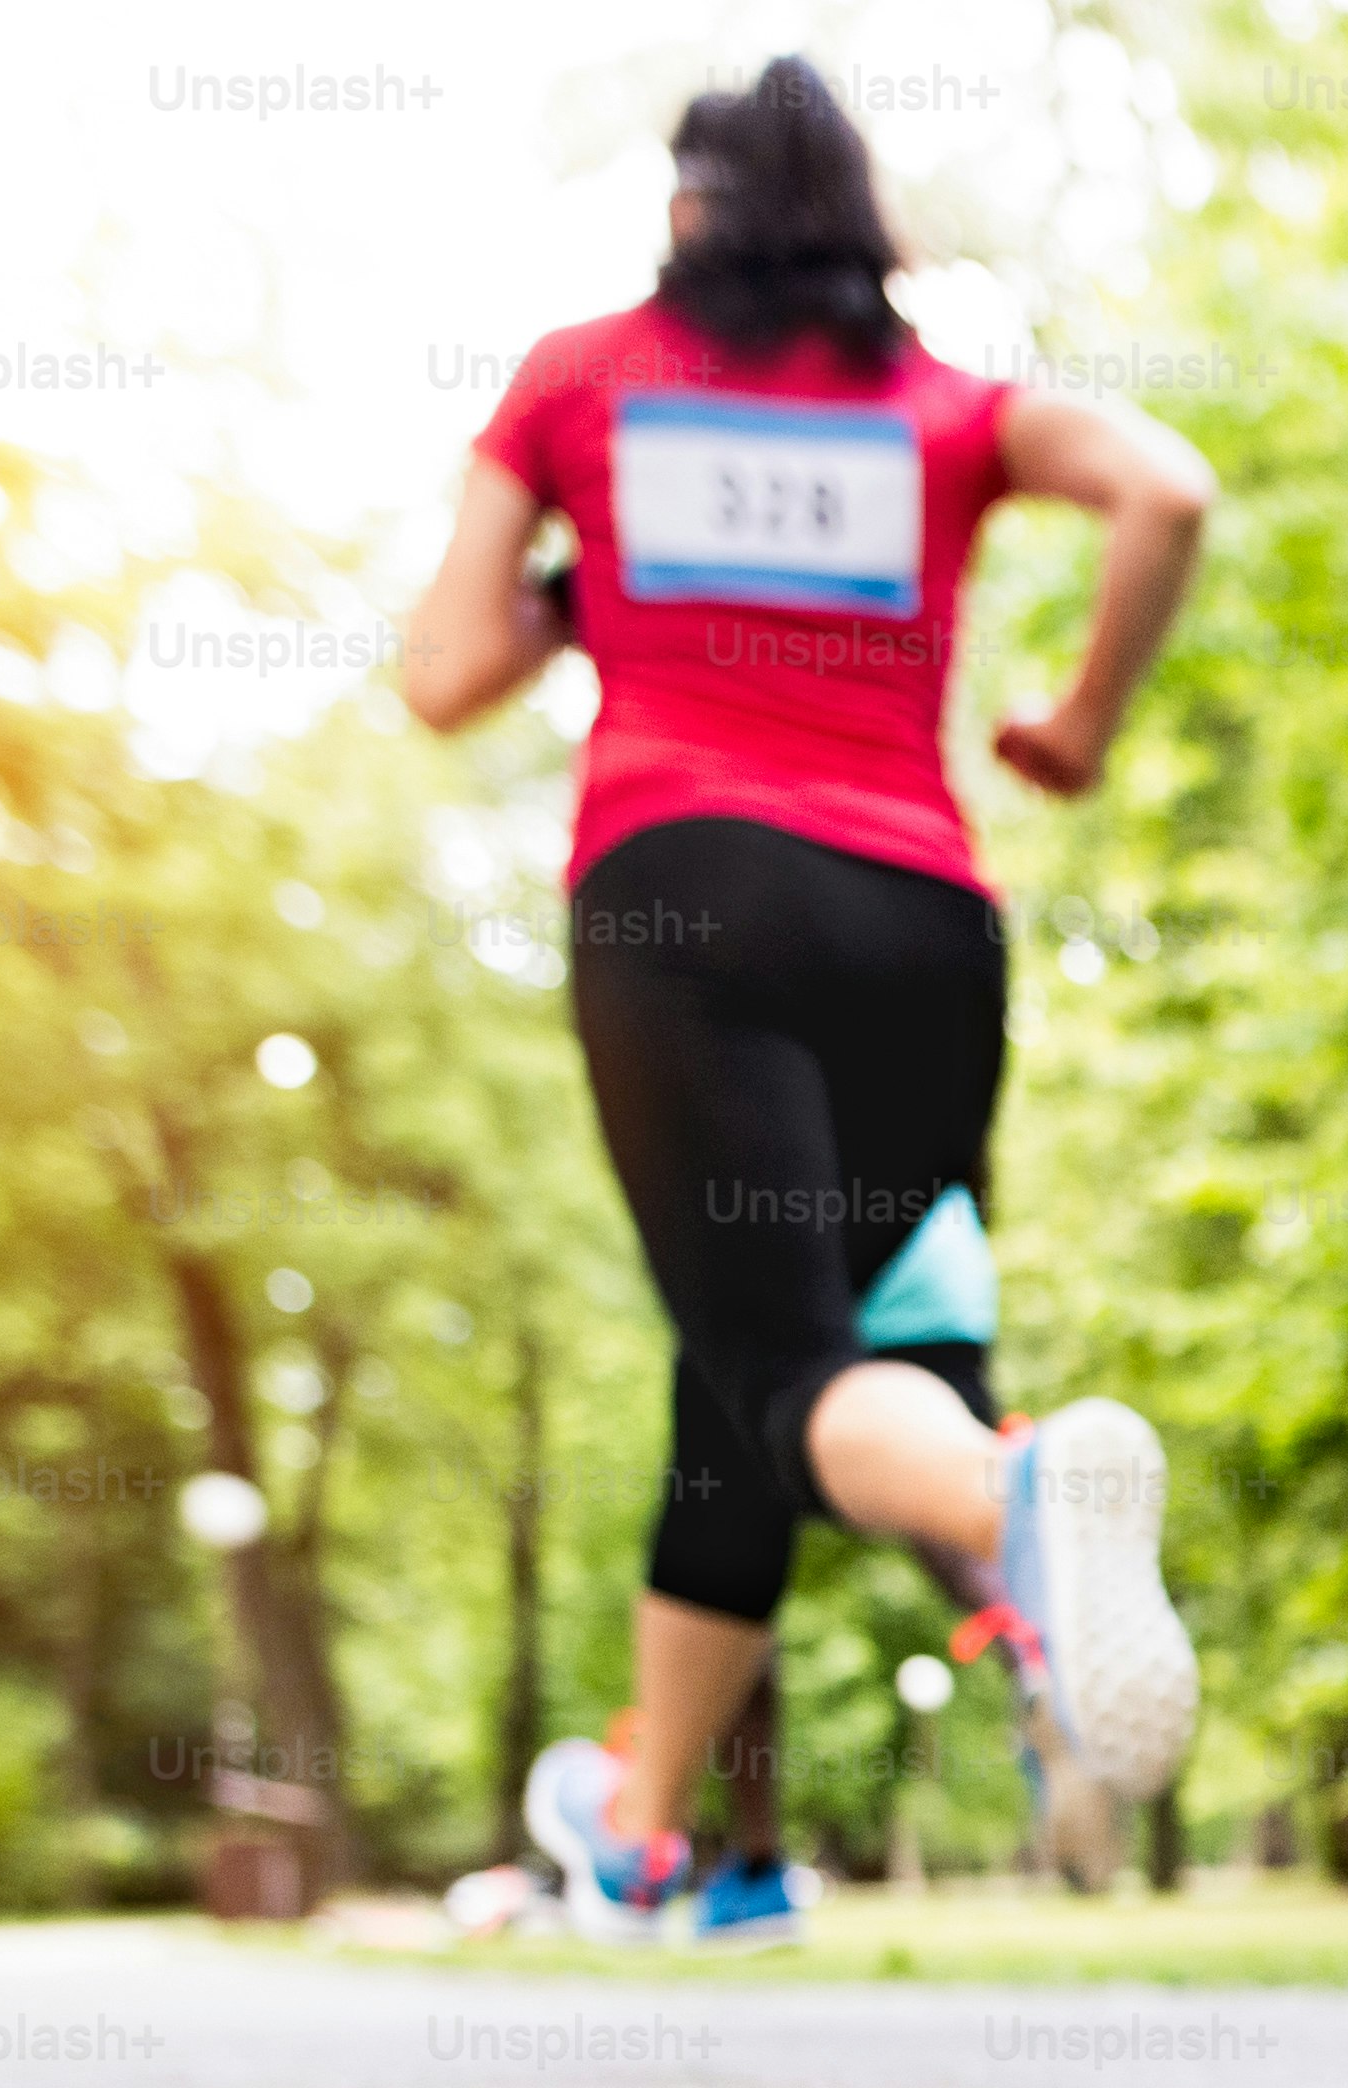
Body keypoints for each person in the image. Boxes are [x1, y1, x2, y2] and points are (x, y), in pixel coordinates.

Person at [398, 54, 1214, 1942]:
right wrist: (1079, 725)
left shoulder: (582, 378)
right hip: (926, 931)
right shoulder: (946, 406)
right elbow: (1167, 488)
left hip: (690, 893)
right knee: (753, 1378)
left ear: (686, 212)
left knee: (782, 1372)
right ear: (866, 227)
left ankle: (1015, 1523)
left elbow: (442, 671)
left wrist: (580, 594)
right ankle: (656, 1843)